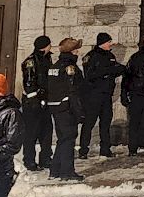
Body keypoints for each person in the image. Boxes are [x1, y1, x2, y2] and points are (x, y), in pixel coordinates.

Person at [78, 32, 124, 158]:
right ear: (102, 43)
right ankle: (83, 150)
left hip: (106, 95)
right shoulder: (91, 56)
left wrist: (117, 70)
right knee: (89, 123)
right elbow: (90, 75)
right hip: (93, 95)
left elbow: (116, 69)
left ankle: (105, 149)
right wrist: (107, 71)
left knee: (105, 123)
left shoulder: (110, 56)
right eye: (108, 42)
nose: (110, 44)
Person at [45, 37, 84, 181]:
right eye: (76, 49)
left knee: (62, 139)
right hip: (67, 107)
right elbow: (73, 90)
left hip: (55, 107)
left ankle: (55, 170)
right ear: (72, 51)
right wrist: (79, 112)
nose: (78, 52)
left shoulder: (55, 66)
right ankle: (67, 171)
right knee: (68, 138)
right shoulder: (70, 68)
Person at [19, 35, 53, 171]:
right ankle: (29, 161)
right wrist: (36, 97)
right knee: (31, 133)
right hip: (32, 103)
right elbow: (29, 84)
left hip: (45, 101)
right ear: (45, 46)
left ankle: (45, 159)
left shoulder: (46, 58)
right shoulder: (31, 62)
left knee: (46, 131)